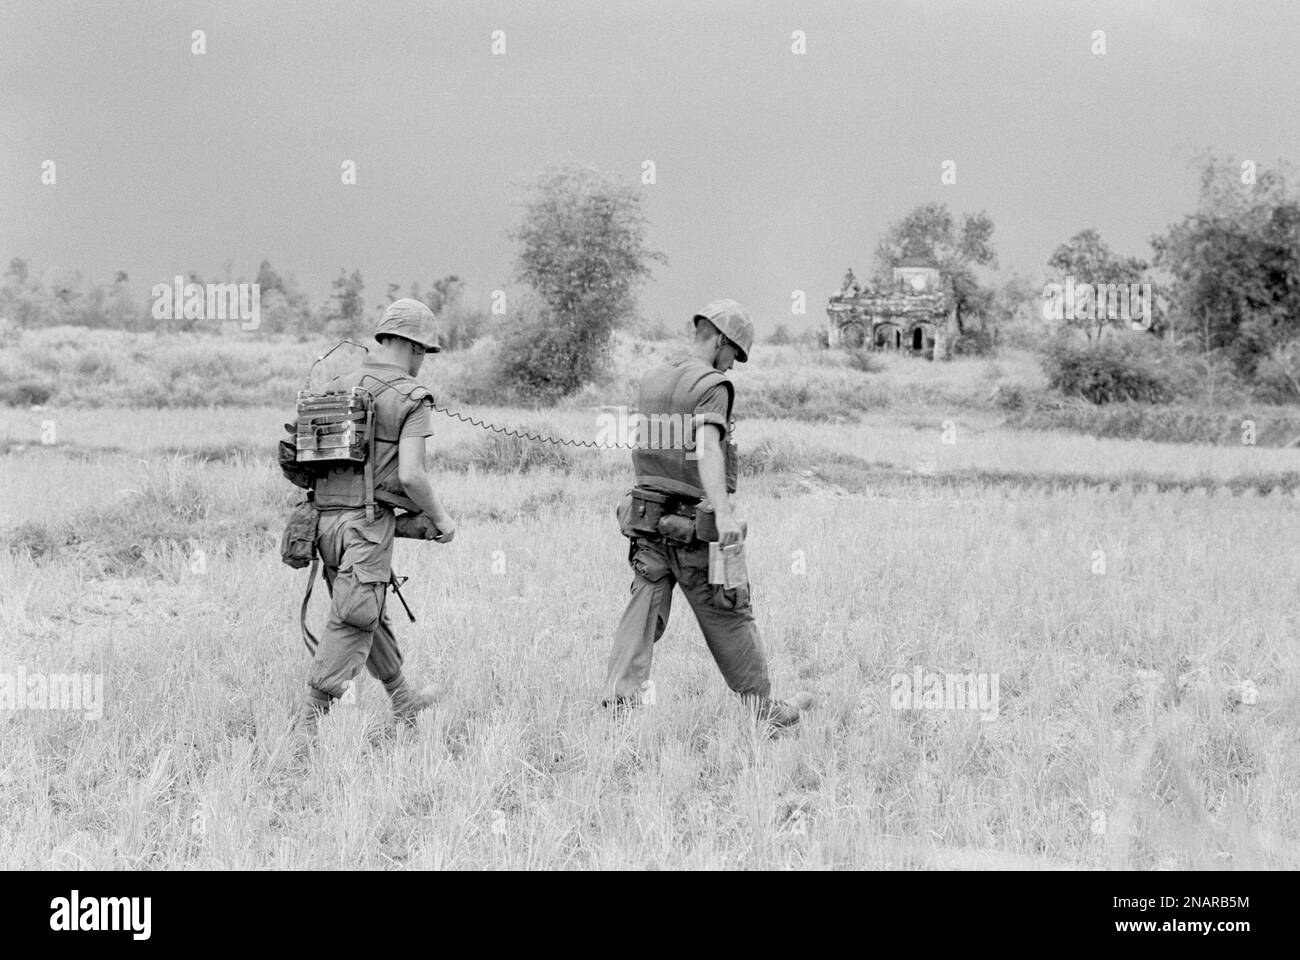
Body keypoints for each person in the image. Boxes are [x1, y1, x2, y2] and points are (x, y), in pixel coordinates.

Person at [602, 299, 812, 731]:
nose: (733, 365)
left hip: (646, 518)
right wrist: (722, 512)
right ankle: (763, 709)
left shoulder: (653, 377)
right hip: (694, 525)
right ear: (720, 340)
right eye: (734, 353)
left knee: (643, 604)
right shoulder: (713, 384)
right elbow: (707, 445)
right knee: (730, 609)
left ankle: (619, 702)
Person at [292, 298, 457, 747]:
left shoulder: (336, 383)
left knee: (366, 611)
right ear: (411, 346)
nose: (424, 360)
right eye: (424, 351)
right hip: (367, 528)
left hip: (325, 526)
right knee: (354, 617)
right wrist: (441, 519)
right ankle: (307, 724)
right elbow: (411, 475)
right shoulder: (412, 397)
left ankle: (404, 700)